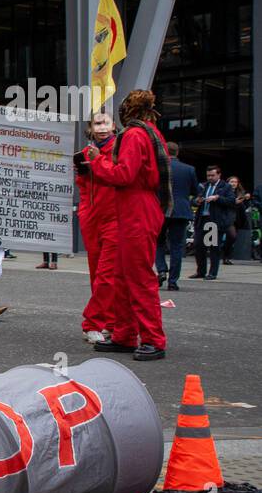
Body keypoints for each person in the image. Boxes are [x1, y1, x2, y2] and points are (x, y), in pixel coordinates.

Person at [85, 89, 170, 360]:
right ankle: (125, 334)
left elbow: (124, 174)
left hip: (136, 207)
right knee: (123, 275)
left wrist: (96, 161)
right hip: (140, 206)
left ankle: (152, 339)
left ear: (127, 111)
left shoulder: (133, 135)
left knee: (138, 276)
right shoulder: (150, 132)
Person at [75, 111, 118, 341]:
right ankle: (108, 322)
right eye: (97, 124)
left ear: (114, 125)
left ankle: (93, 322)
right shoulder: (84, 153)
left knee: (106, 272)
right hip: (92, 216)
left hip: (114, 216)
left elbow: (118, 176)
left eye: (105, 123)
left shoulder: (120, 149)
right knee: (97, 272)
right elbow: (82, 185)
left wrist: (97, 161)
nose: (101, 127)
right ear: (90, 128)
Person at [155, 141, 196, 290]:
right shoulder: (189, 169)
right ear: (177, 153)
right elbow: (195, 190)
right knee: (177, 247)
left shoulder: (158, 168)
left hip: (161, 209)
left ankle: (161, 270)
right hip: (181, 211)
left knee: (158, 243)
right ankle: (173, 281)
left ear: (165, 151)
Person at [191, 164, 234, 280]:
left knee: (214, 247)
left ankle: (212, 272)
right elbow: (193, 200)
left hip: (214, 220)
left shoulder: (225, 187)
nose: (210, 178)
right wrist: (196, 201)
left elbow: (231, 201)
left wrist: (217, 198)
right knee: (199, 245)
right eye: (208, 175)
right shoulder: (203, 186)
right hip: (202, 219)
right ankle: (201, 271)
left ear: (219, 175)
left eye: (212, 175)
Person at [224, 175, 247, 265]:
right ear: (227, 183)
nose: (233, 184)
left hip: (236, 218)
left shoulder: (240, 193)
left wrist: (245, 199)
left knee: (232, 237)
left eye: (235, 182)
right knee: (231, 236)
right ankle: (224, 256)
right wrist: (234, 202)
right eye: (231, 182)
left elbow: (243, 206)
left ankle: (226, 256)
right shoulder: (223, 192)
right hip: (225, 217)